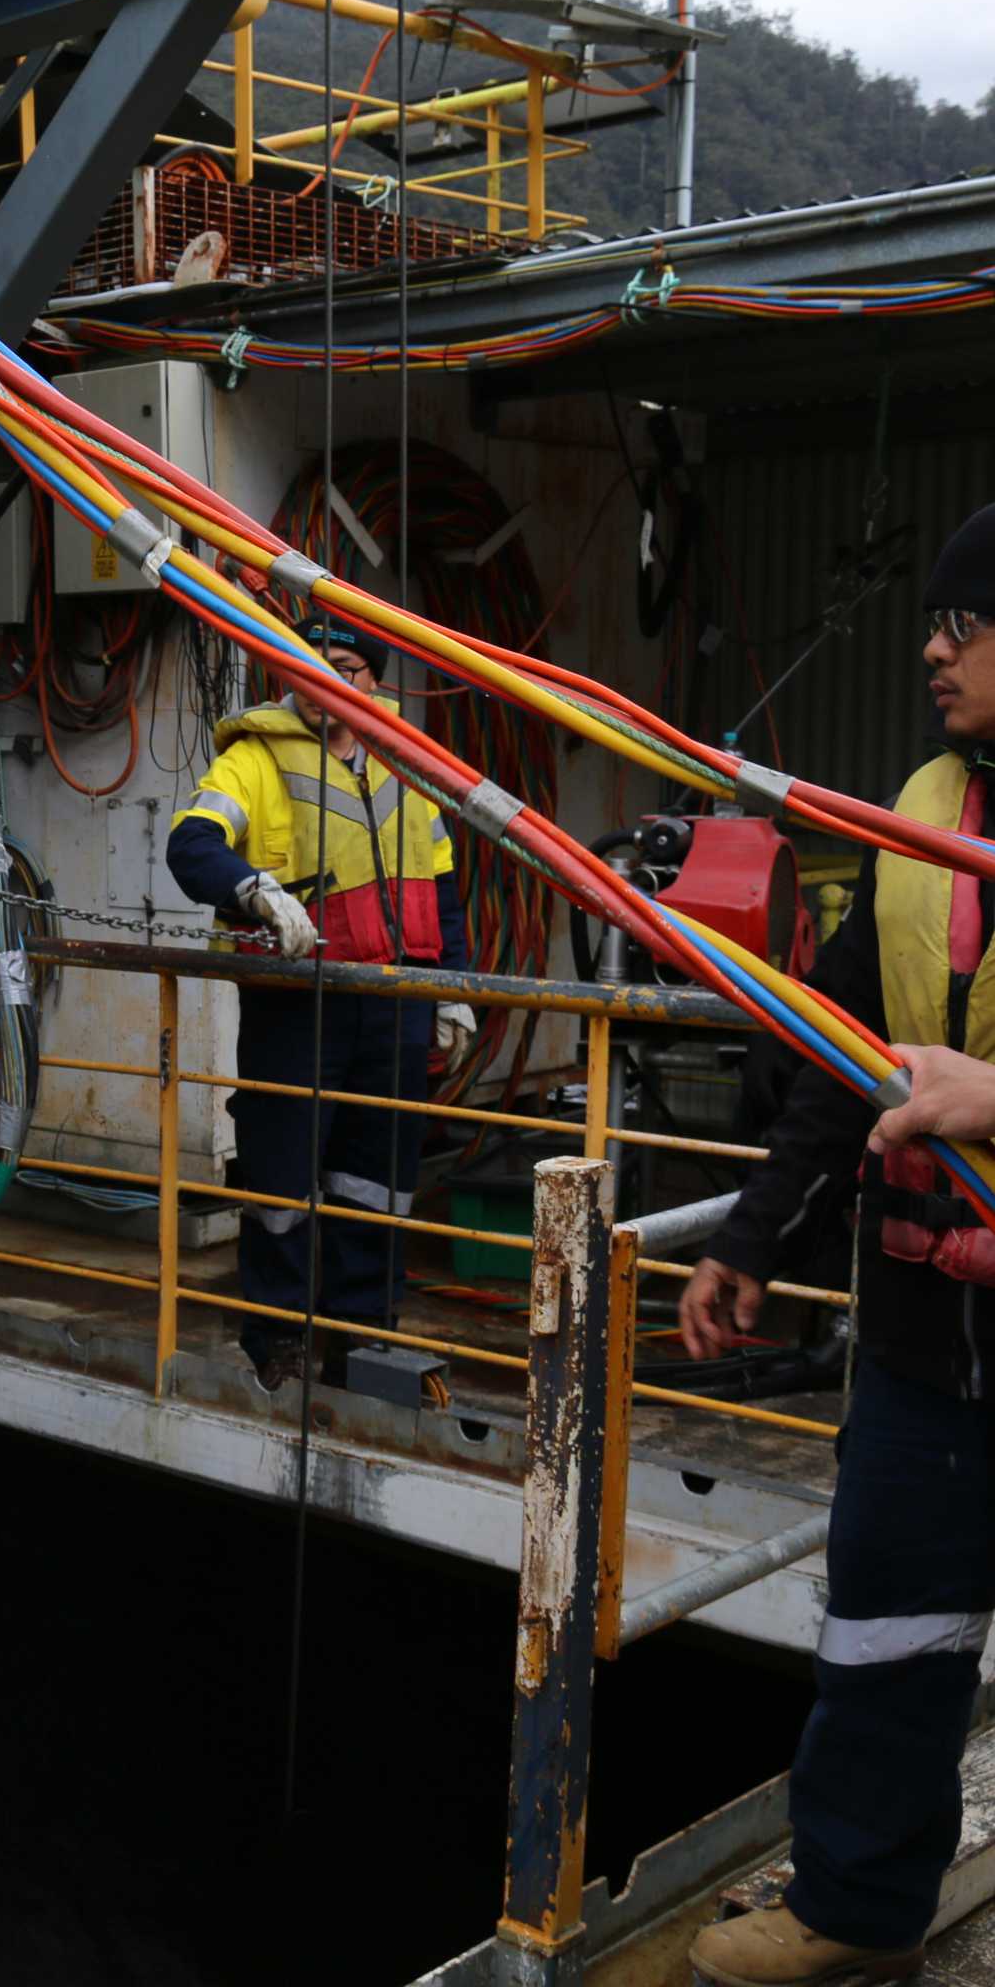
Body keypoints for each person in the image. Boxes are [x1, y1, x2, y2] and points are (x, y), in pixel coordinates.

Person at [683, 504, 995, 1987]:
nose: (930, 649)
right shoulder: (914, 813)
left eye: (963, 624)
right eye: (934, 621)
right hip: (929, 1339)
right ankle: (857, 1910)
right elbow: (836, 1059)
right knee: (885, 1627)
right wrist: (753, 1238)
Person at [165, 617, 473, 1389]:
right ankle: (279, 1343)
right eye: (304, 667)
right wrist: (252, 888)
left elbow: (443, 889)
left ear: (373, 680)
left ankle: (364, 1339)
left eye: (341, 667)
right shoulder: (255, 760)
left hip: (396, 1006)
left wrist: (456, 990)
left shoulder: (408, 766)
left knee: (378, 1186)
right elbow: (191, 844)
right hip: (296, 1009)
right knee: (282, 1181)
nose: (322, 682)